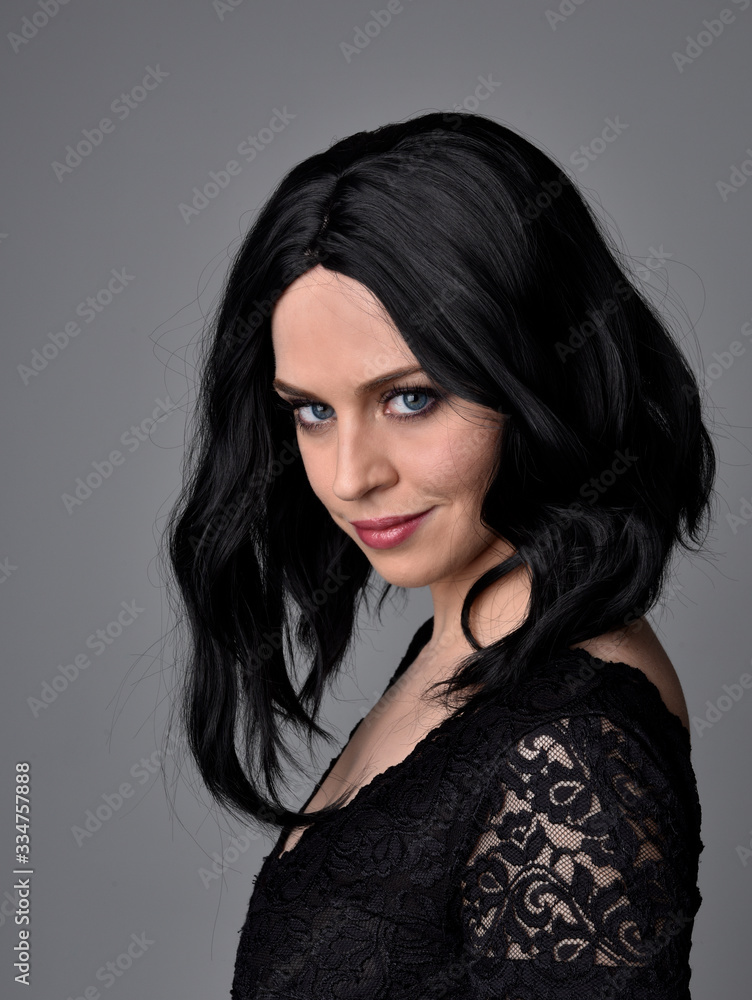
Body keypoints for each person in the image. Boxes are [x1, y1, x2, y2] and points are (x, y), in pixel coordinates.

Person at [163, 110, 717, 998]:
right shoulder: (471, 641)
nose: (349, 476)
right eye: (312, 409)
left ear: (539, 373)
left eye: (411, 398)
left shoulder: (568, 749)